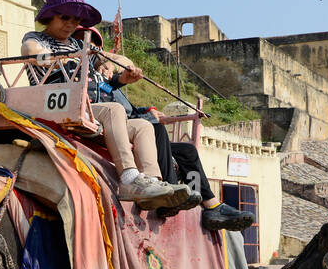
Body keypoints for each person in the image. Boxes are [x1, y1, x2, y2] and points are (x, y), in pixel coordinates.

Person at [74, 26, 253, 232]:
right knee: (156, 129)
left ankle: (211, 205)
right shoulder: (85, 79)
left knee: (187, 151)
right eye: (86, 43)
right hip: (124, 130)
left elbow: (130, 104)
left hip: (138, 129)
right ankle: (168, 192)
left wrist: (147, 110)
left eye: (97, 47)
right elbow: (112, 110)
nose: (106, 68)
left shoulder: (109, 86)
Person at [22, 0, 183, 208]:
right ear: (51, 16)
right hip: (57, 104)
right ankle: (128, 177)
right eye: (64, 17)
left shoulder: (79, 43)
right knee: (114, 109)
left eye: (75, 21)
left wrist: (119, 71)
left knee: (142, 127)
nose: (70, 24)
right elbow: (31, 51)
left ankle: (152, 183)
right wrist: (67, 58)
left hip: (86, 107)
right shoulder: (37, 39)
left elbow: (117, 61)